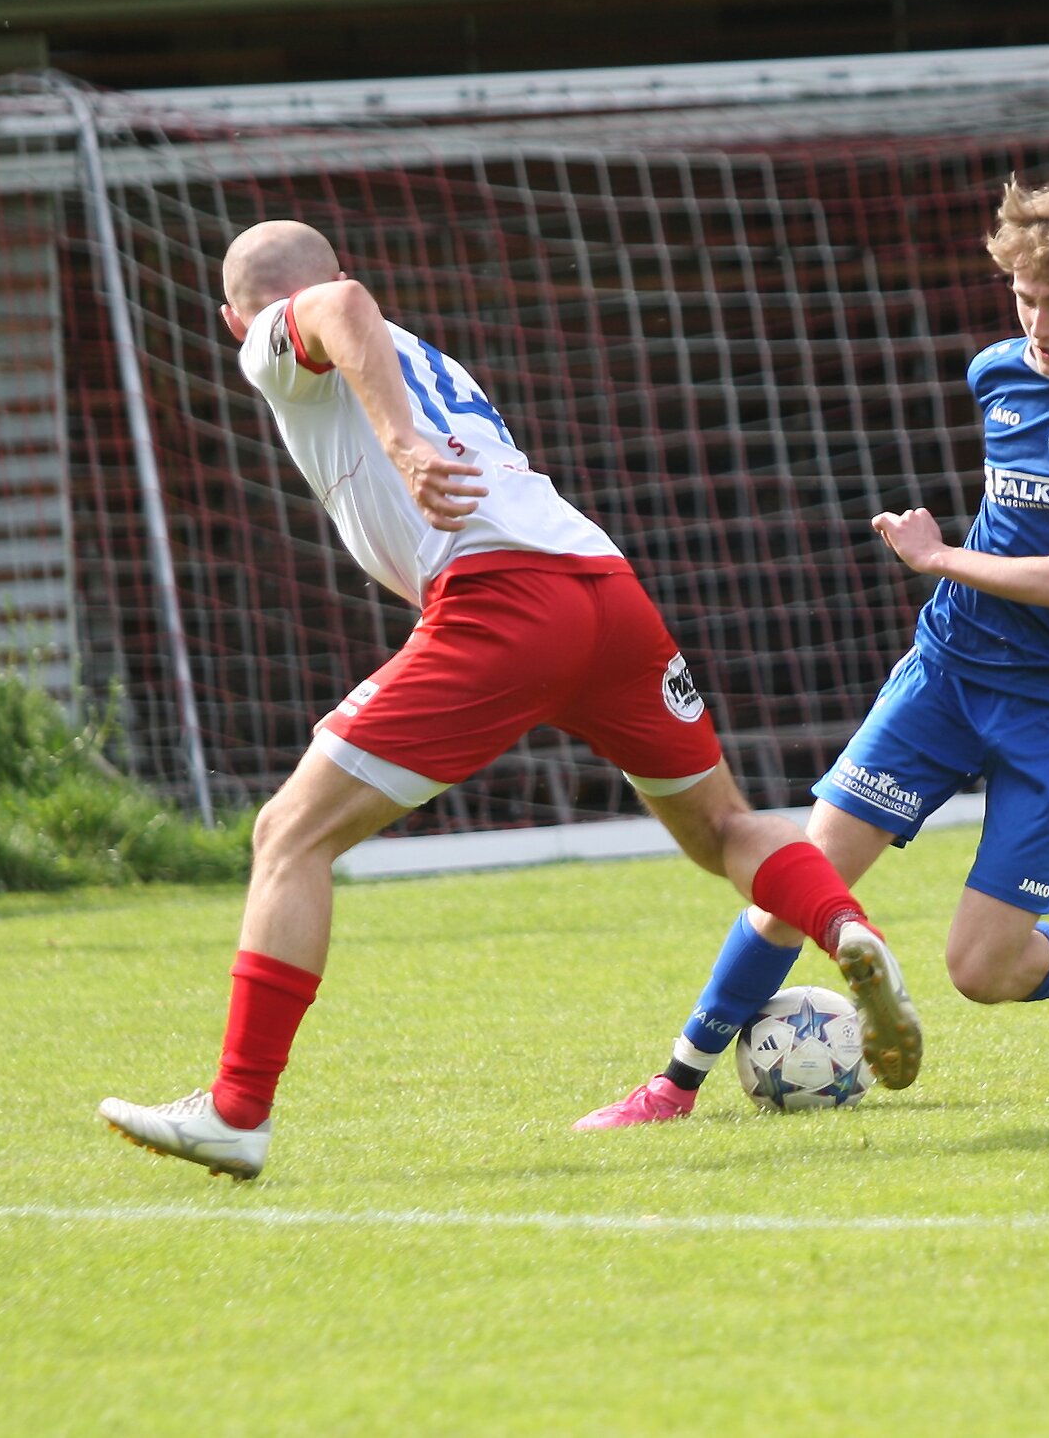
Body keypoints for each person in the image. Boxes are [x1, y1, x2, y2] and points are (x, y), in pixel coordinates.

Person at [96, 220, 922, 1181]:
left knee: (289, 836)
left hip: (500, 603)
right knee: (724, 827)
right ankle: (846, 928)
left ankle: (237, 1109)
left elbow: (336, 306)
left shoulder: (281, 335)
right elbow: (355, 306)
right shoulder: (415, 354)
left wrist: (400, 443)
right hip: (605, 592)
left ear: (237, 317)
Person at [573, 170, 1049, 1128]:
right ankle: (674, 1084)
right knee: (799, 883)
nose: (1038, 323)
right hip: (948, 671)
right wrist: (955, 570)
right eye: (1024, 298)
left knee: (979, 971)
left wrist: (941, 555)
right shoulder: (998, 373)